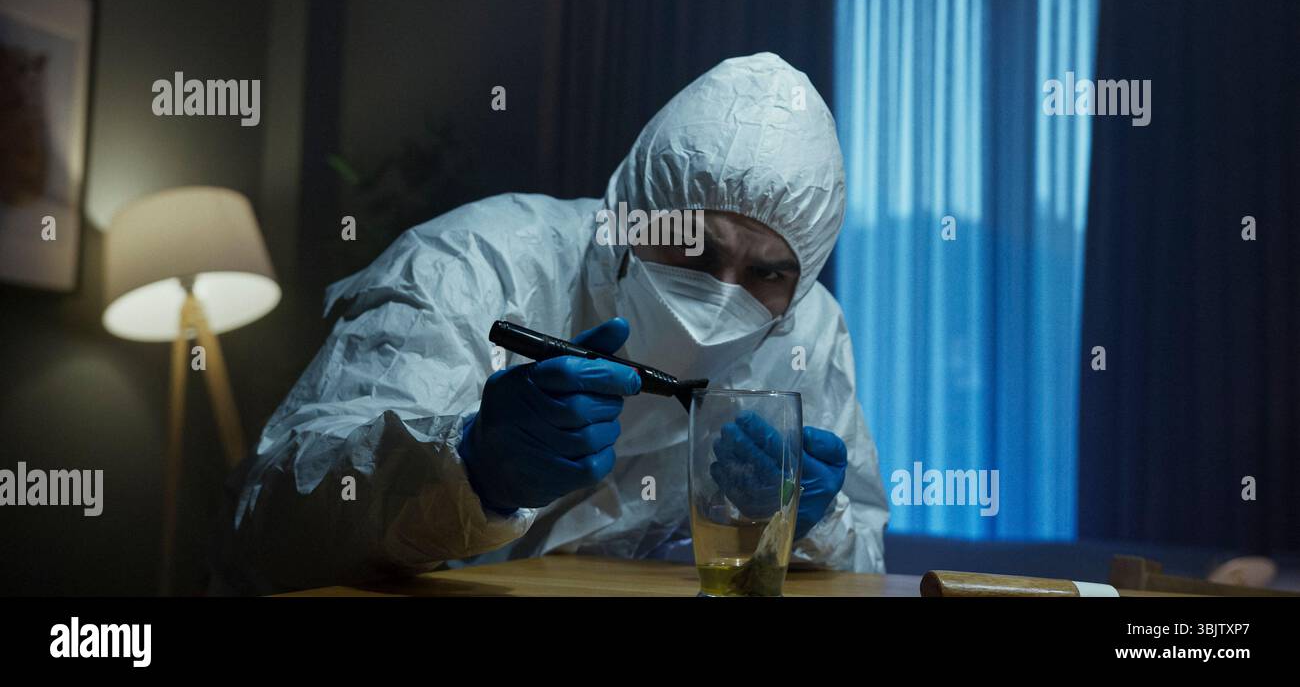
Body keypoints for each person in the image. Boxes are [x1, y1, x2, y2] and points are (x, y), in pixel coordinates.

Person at [213, 52, 889, 594]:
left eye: (768, 273)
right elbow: (272, 526)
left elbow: (866, 564)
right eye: (695, 247)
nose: (720, 296)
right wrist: (468, 465)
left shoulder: (807, 334)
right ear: (630, 214)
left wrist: (813, 516)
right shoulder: (472, 264)